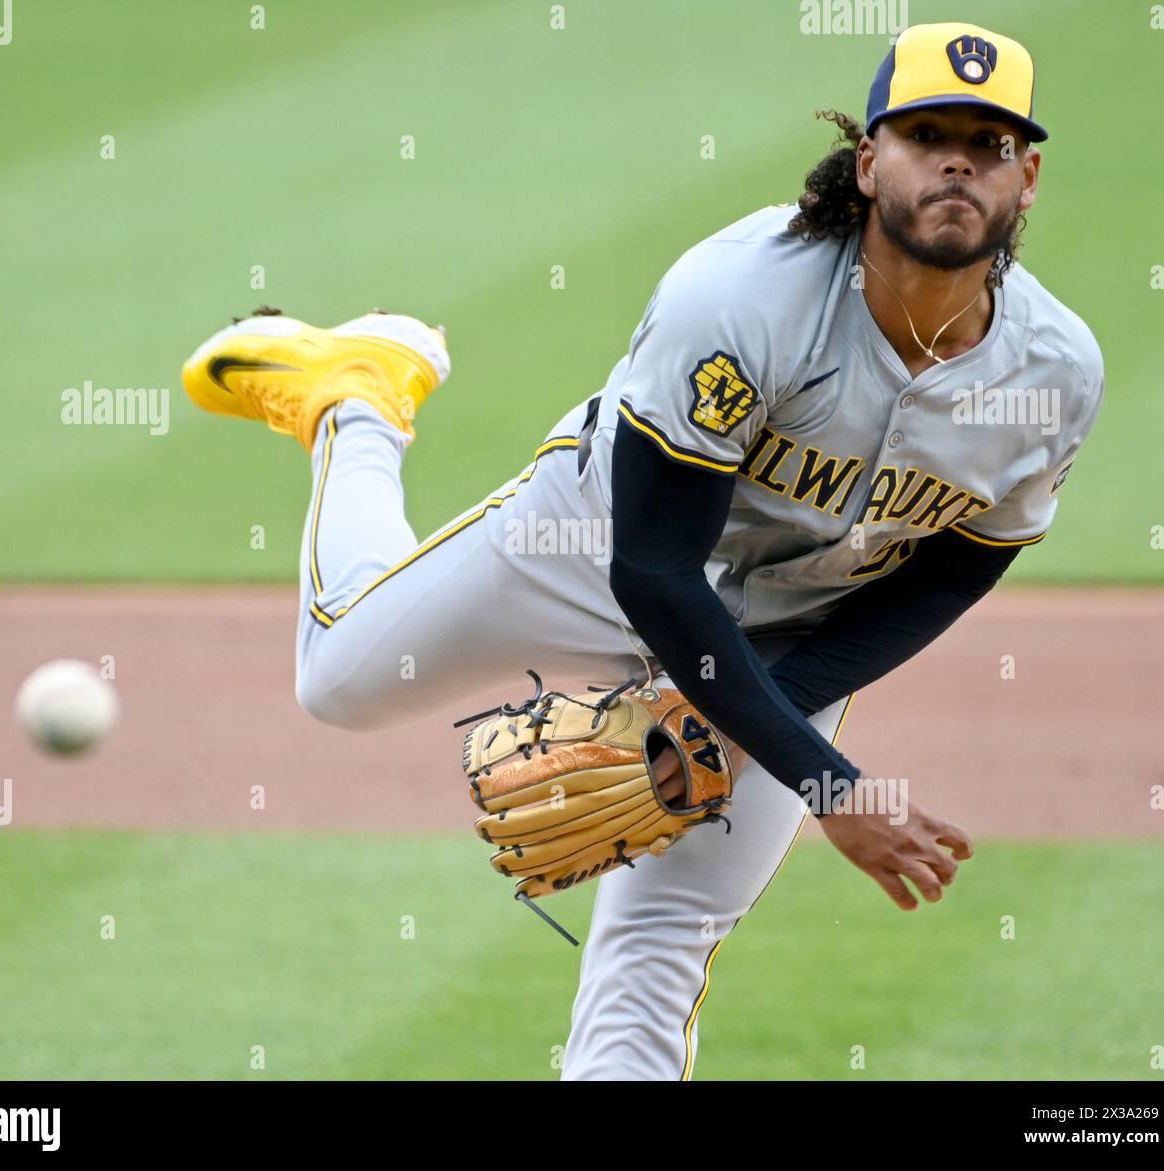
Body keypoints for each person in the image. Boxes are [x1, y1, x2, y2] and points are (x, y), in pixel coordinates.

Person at [181, 21, 1103, 1080]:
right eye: (925, 133)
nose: (955, 161)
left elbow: (952, 571)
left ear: (1025, 177)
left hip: (782, 634)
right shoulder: (744, 297)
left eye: (987, 144)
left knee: (658, 949)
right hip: (589, 547)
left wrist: (759, 719)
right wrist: (828, 784)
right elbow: (653, 571)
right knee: (338, 680)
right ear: (867, 161)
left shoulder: (1054, 375)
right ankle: (358, 401)